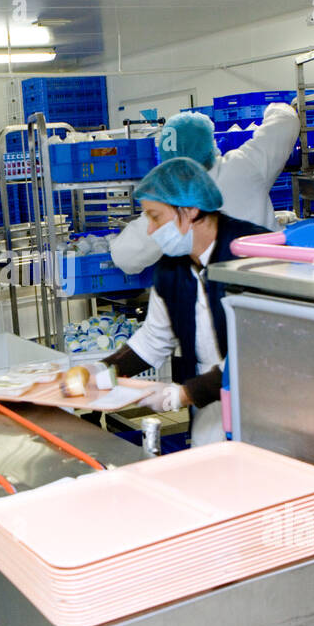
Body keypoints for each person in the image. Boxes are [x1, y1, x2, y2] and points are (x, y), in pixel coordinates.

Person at [102, 158, 269, 448]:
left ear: (190, 210)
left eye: (155, 217)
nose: (151, 230)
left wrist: (182, 395)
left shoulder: (253, 253)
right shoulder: (171, 269)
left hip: (267, 407)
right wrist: (101, 372)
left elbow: (260, 353)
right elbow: (154, 339)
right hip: (209, 404)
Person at [111, 104, 299, 274]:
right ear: (210, 143)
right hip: (272, 281)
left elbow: (125, 256)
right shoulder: (244, 166)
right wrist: (279, 109)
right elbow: (284, 125)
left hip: (219, 294)